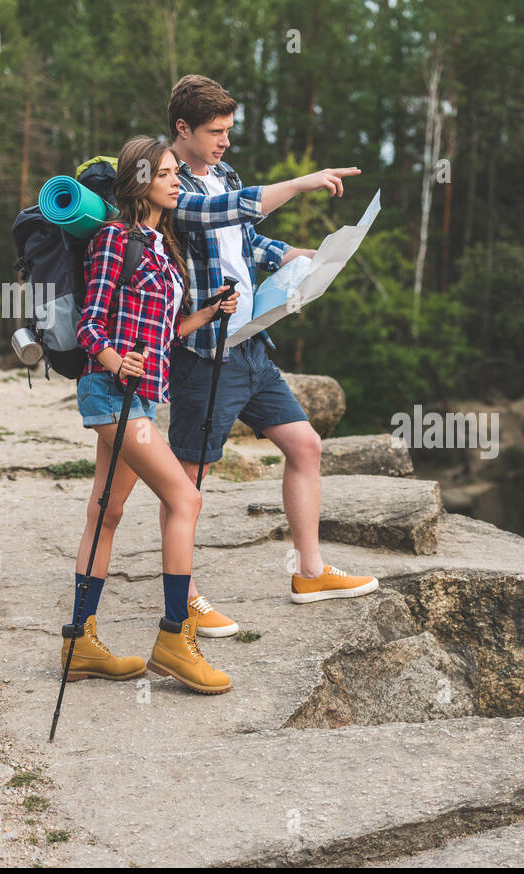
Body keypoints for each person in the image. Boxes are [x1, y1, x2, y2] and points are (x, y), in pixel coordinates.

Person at [163, 74, 378, 633]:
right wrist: (302, 184)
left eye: (229, 131)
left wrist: (291, 256)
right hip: (205, 353)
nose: (225, 142)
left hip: (251, 341)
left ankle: (309, 572)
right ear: (182, 129)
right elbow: (221, 214)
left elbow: (244, 239)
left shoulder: (223, 172)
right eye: (215, 132)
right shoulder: (166, 184)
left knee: (305, 445)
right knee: (189, 478)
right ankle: (181, 596)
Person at [64, 135, 239, 694]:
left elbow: (163, 334)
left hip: (138, 396)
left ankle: (80, 642)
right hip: (111, 394)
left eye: (174, 173)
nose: (175, 180)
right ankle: (173, 637)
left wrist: (210, 312)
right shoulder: (115, 240)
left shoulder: (163, 248)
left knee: (107, 512)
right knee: (185, 498)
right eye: (166, 173)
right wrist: (119, 362)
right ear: (141, 180)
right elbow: (90, 327)